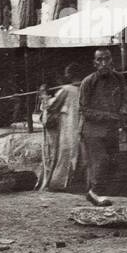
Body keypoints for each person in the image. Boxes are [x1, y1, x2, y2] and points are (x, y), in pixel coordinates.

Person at [78, 48, 127, 207]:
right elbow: (84, 110)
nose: (104, 63)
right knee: (101, 160)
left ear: (112, 60)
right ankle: (94, 192)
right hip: (93, 130)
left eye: (106, 59)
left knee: (112, 162)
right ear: (95, 63)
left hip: (112, 129)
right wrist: (106, 116)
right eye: (100, 60)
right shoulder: (88, 82)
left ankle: (99, 193)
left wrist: (123, 110)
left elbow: (125, 100)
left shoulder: (119, 79)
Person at [40, 64, 84, 192]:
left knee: (65, 152)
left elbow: (51, 106)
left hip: (68, 125)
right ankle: (75, 182)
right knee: (76, 152)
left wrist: (43, 95)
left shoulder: (67, 90)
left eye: (66, 73)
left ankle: (59, 183)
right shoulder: (84, 88)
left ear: (70, 74)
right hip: (79, 124)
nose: (65, 75)